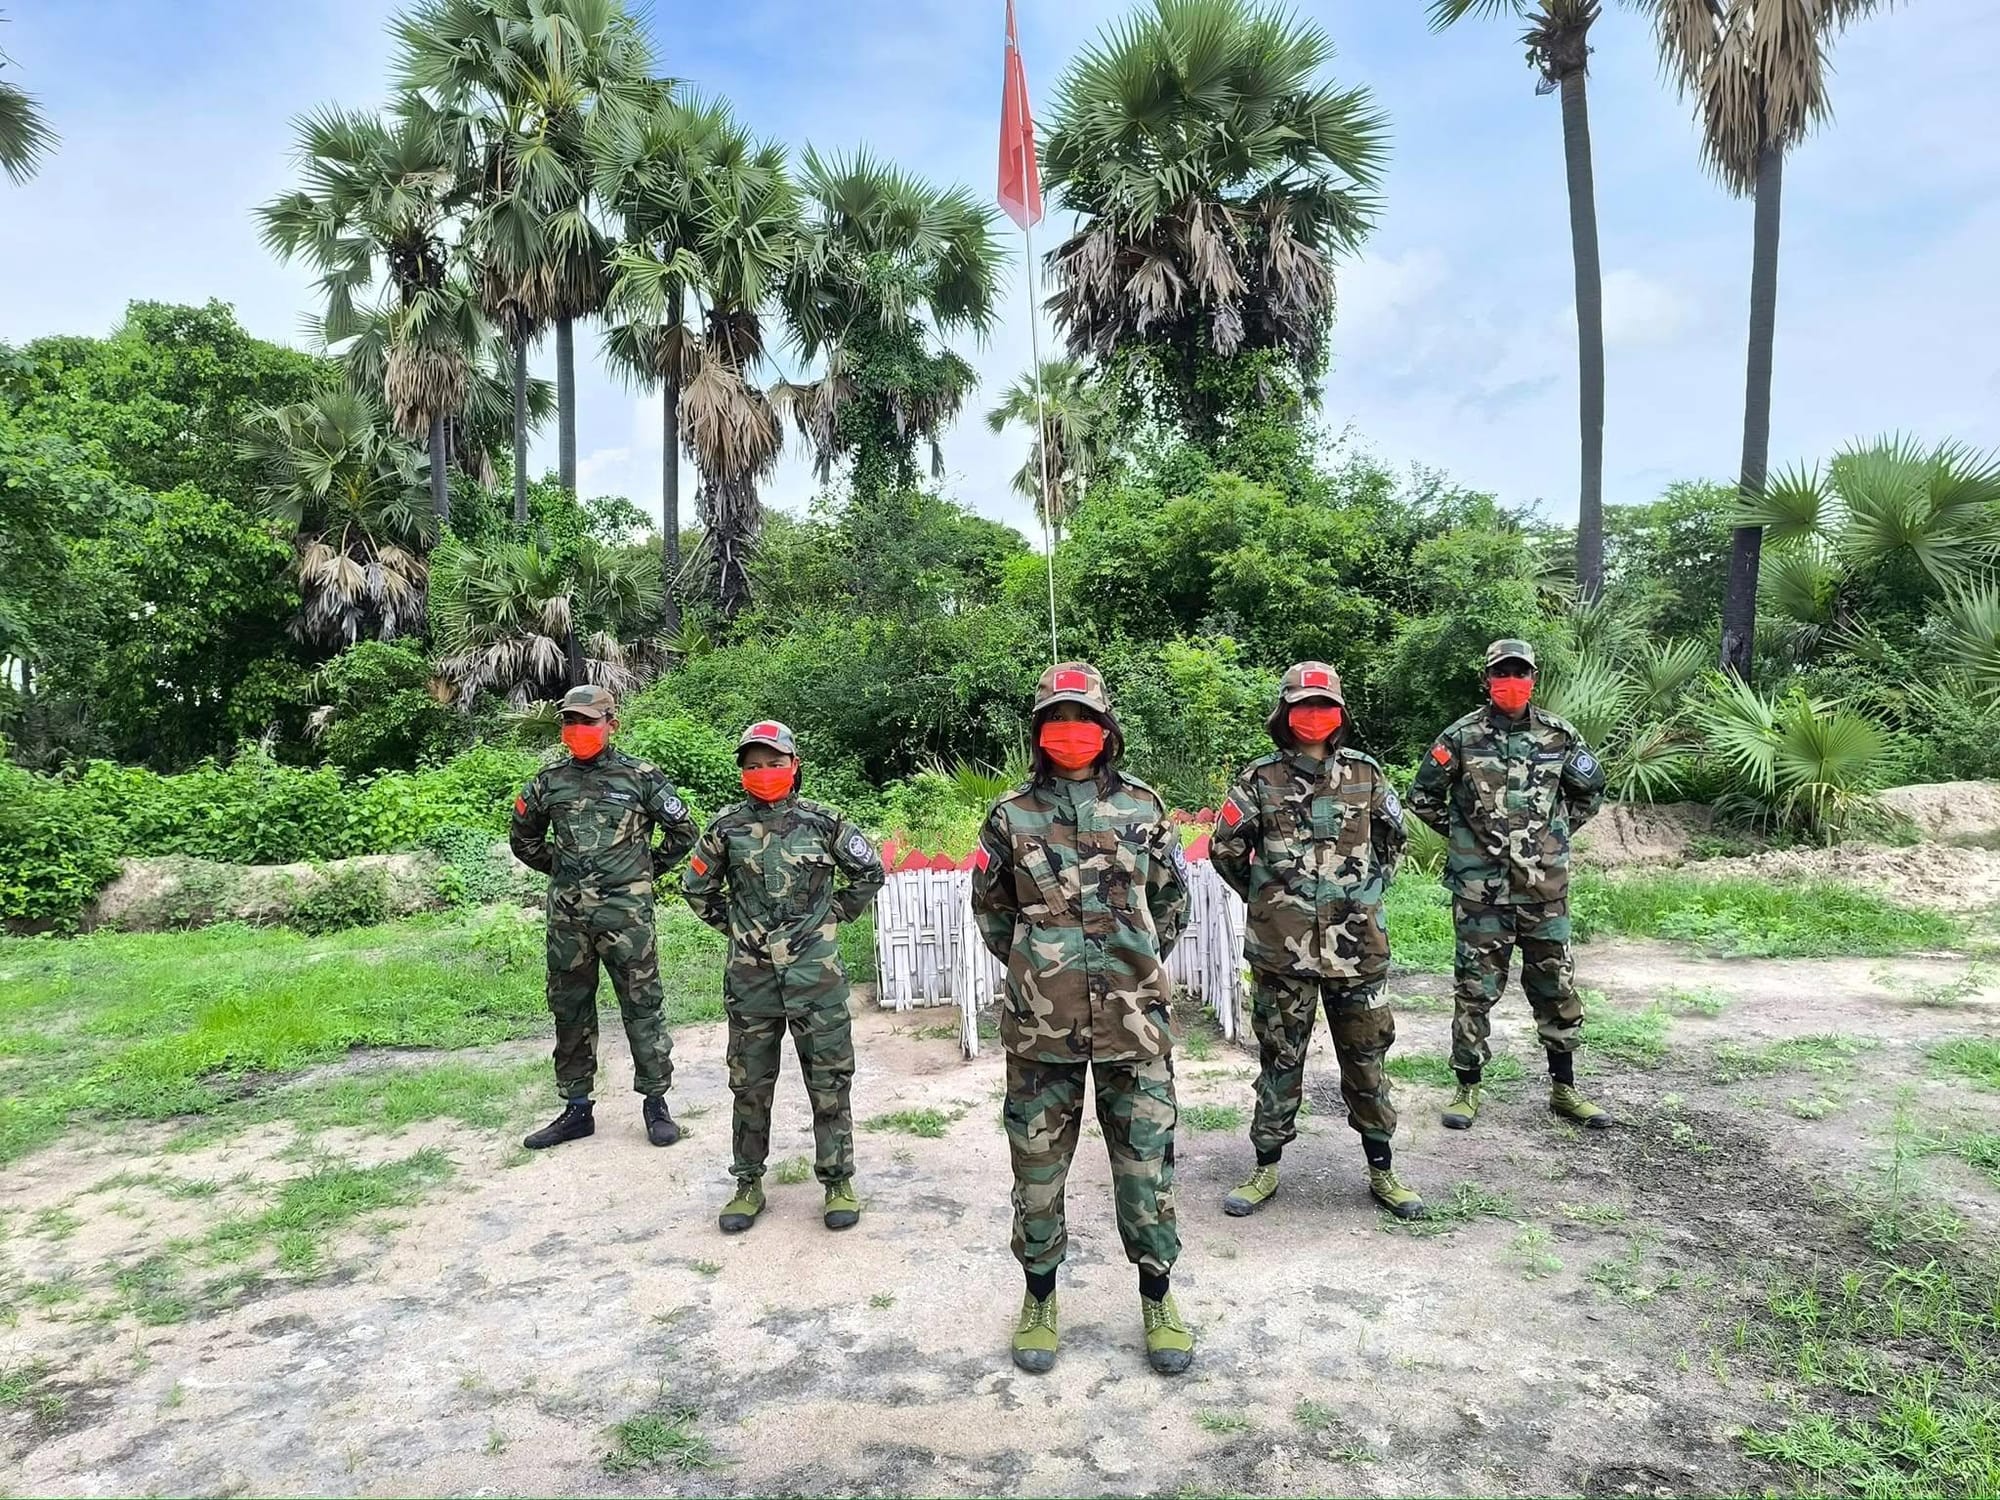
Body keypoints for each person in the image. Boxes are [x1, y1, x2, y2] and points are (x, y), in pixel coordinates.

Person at [970, 662, 1194, 1378]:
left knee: (1145, 1169)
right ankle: (1039, 1297)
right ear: (1040, 732)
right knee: (1036, 1170)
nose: (1072, 733)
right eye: (1057, 721)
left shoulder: (1144, 808)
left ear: (1106, 728)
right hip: (1043, 1025)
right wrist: (1044, 964)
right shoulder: (1010, 816)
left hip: (1135, 1021)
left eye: (1084, 719)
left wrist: (1133, 961)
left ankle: (1157, 1296)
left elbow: (1171, 904)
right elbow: (991, 911)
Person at [1209, 662, 1425, 1221]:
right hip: (1284, 954)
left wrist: (1364, 897)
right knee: (1279, 1059)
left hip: (1358, 951)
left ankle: (1383, 1169)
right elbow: (1226, 850)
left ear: (1340, 714)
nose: (1314, 716)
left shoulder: (1366, 775)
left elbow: (1393, 842)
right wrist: (1272, 903)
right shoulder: (1260, 780)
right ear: (1285, 714)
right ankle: (1265, 1167)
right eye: (1303, 706)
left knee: (1368, 1059)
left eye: (1324, 705)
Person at [683, 720, 884, 1234]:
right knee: (749, 1085)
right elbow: (696, 889)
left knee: (830, 1082)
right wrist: (738, 930)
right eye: (753, 765)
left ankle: (838, 1180)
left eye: (774, 763)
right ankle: (748, 1182)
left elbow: (870, 871)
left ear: (794, 767)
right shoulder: (725, 828)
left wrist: (832, 916)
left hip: (816, 978)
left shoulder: (825, 823)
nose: (764, 773)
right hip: (751, 981)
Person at [1407, 639, 1610, 1131]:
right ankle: (1467, 1089)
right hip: (1482, 896)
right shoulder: (1461, 737)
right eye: (1503, 674)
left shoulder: (1560, 736)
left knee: (1555, 988)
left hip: (1545, 890)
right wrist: (1466, 840)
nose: (1511, 682)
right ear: (1488, 680)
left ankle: (1565, 1089)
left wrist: (1552, 838)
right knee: (1475, 991)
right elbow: (1423, 796)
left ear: (1533, 679)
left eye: (1520, 674)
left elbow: (1591, 792)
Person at [510, 684, 701, 1150]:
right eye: (570, 722)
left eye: (588, 721)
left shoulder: (641, 776)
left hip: (626, 916)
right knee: (570, 1008)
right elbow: (523, 837)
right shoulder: (548, 780)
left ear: (611, 724)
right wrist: (559, 868)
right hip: (568, 920)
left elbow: (683, 830)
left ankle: (656, 1104)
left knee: (642, 1006)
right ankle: (576, 1108)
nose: (578, 730)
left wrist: (644, 871)